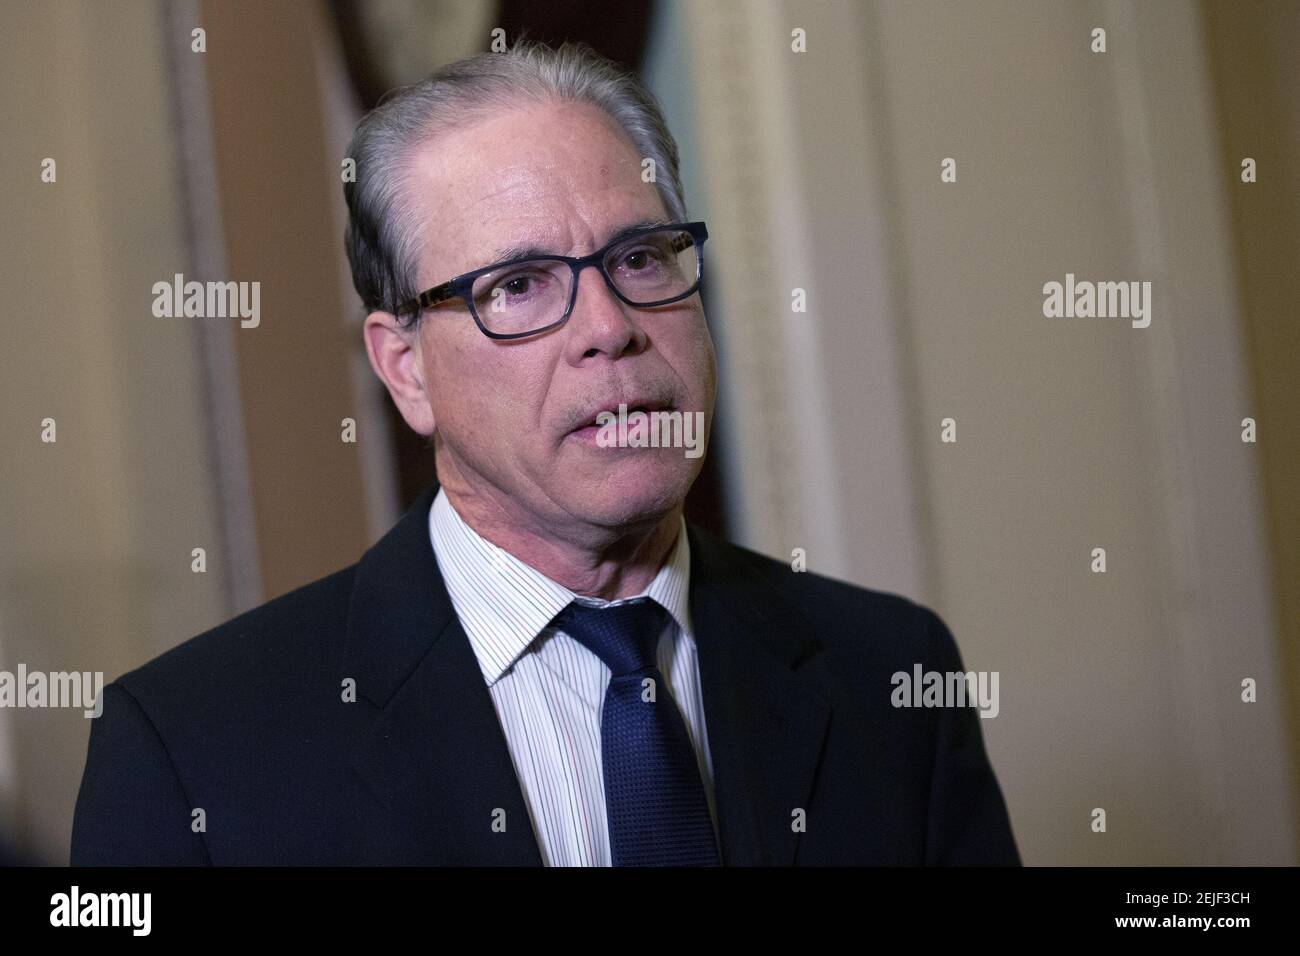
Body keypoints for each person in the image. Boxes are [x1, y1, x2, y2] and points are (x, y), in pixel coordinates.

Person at [71, 40, 1018, 866]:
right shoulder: (192, 754)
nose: (609, 327)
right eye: (519, 284)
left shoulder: (891, 674)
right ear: (406, 370)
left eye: (640, 258)